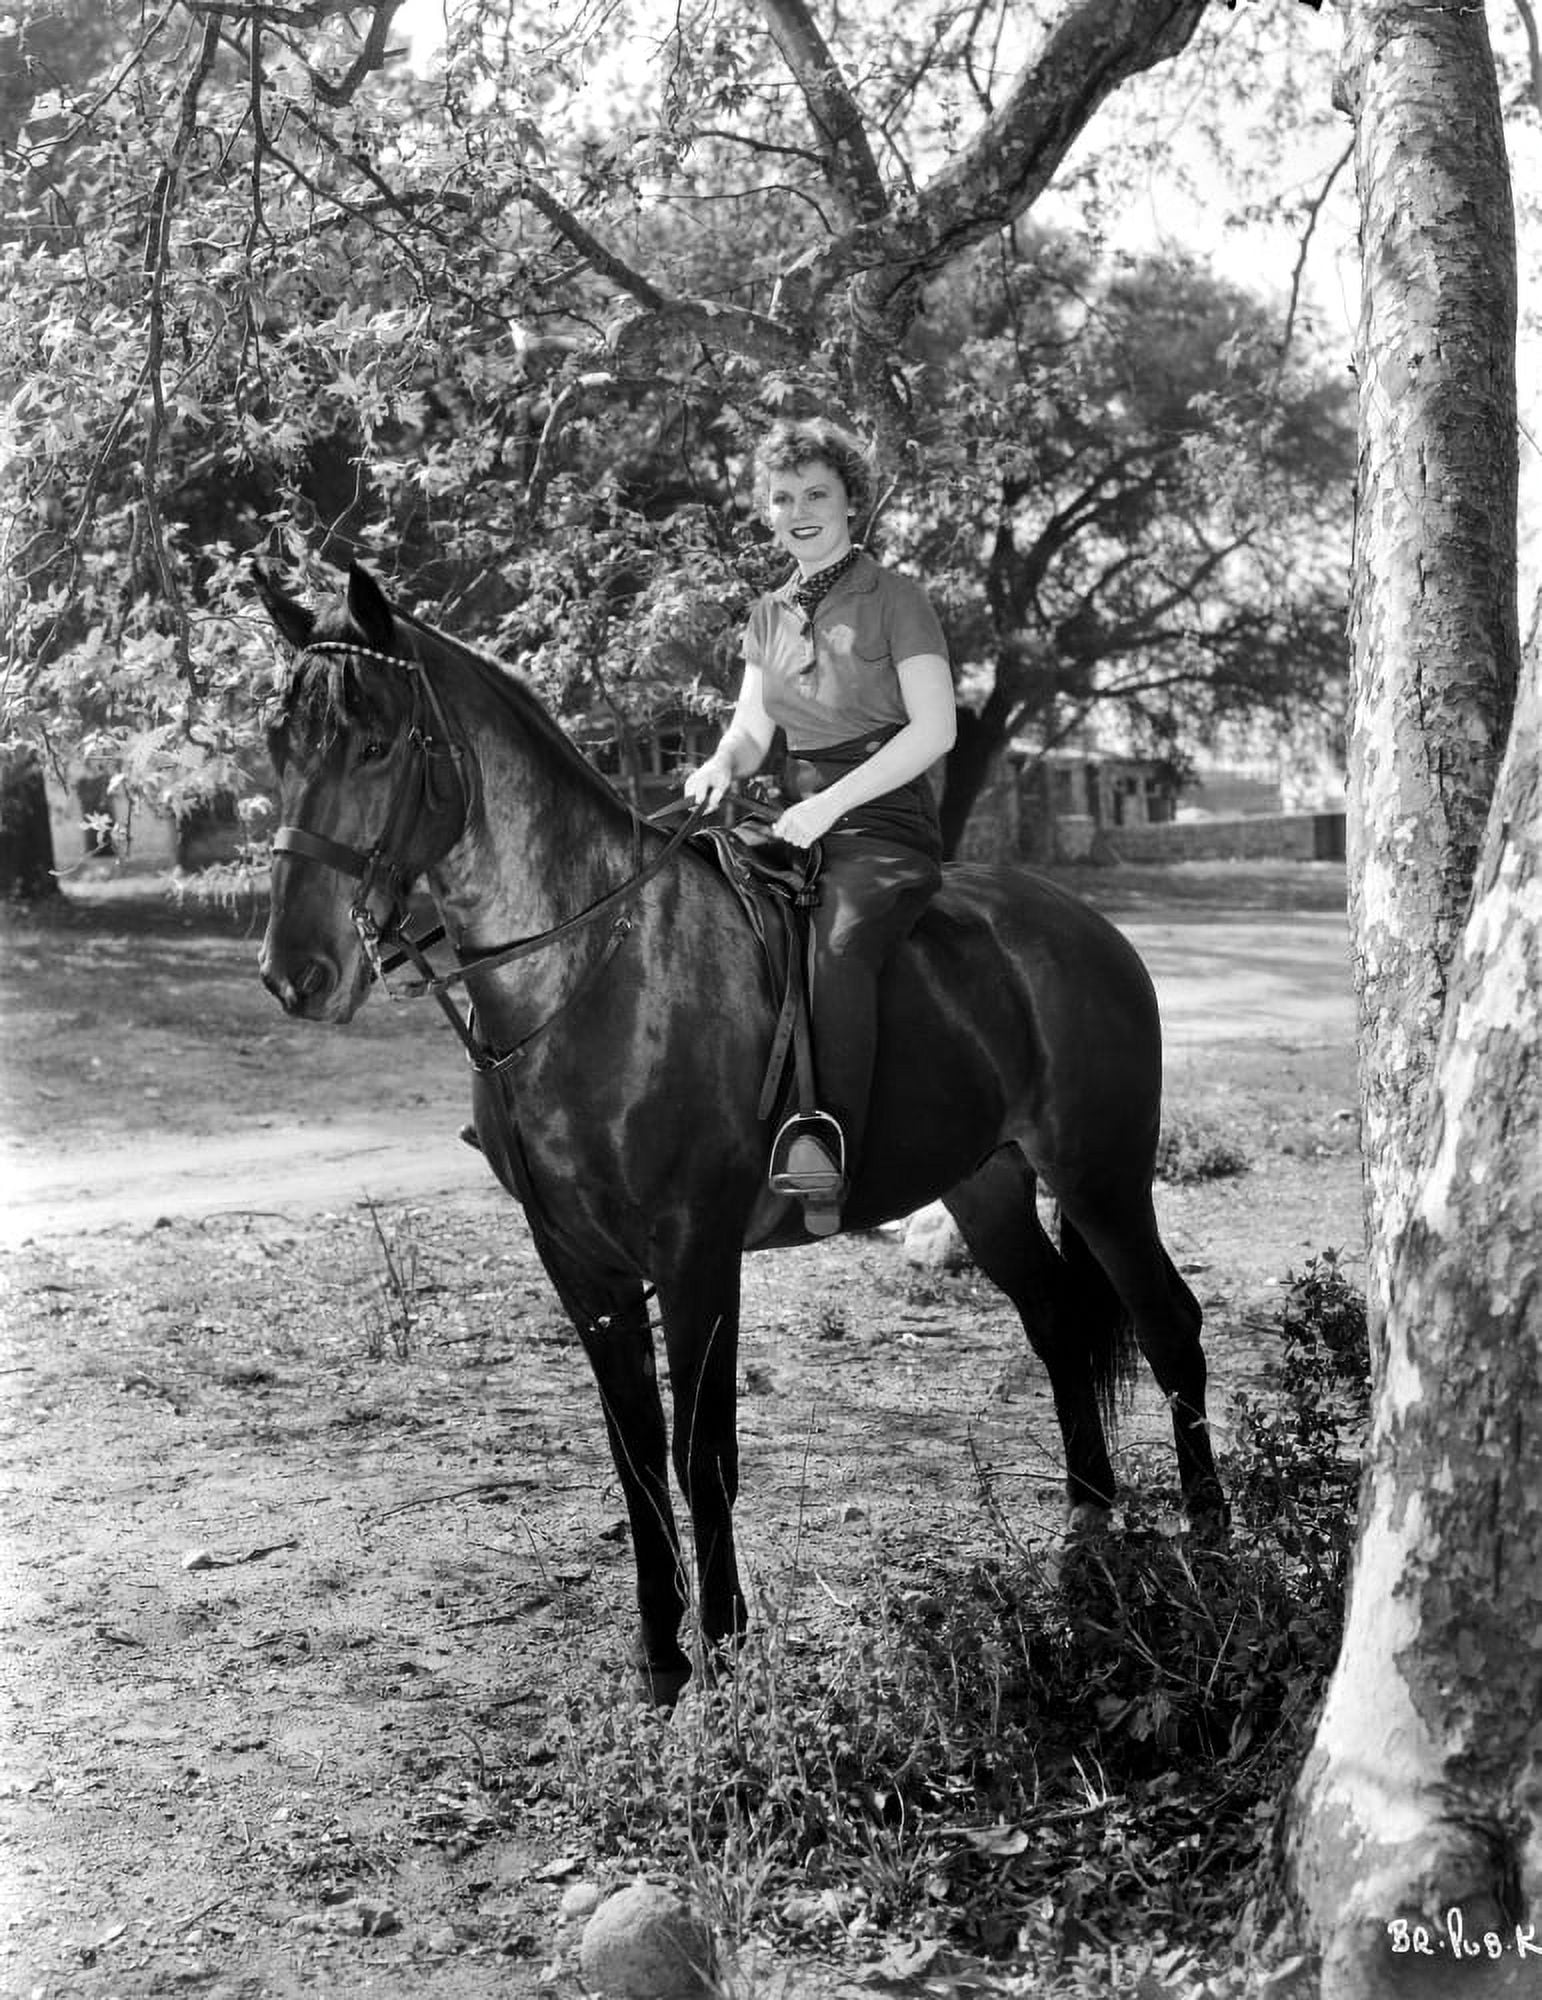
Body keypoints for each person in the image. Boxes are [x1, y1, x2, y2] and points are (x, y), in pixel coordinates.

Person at [684, 417, 956, 1235]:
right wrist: (721, 764)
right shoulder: (767, 615)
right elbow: (750, 730)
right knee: (698, 908)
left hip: (882, 823)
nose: (798, 511)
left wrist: (831, 805)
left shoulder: (897, 599)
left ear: (850, 502)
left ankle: (827, 1146)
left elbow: (936, 730)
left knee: (835, 947)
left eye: (816, 494)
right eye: (782, 497)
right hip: (796, 818)